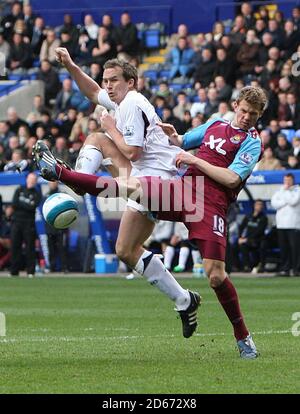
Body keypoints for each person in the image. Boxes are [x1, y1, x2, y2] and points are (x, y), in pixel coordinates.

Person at [33, 85, 268, 358]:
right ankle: (61, 172)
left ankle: (243, 337)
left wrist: (195, 160)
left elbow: (231, 179)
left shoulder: (253, 142)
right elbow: (183, 140)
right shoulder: (216, 122)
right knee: (126, 187)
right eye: (243, 110)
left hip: (210, 206)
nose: (246, 117)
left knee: (215, 276)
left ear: (259, 115)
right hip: (181, 191)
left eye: (253, 114)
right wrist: (172, 135)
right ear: (235, 104)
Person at [50, 47, 201, 339]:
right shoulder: (122, 99)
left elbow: (132, 151)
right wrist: (70, 65)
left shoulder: (131, 102)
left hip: (160, 182)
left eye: (114, 80)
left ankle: (78, 184)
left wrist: (109, 127)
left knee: (97, 137)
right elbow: (92, 93)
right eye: (106, 79)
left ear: (130, 82)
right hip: (147, 180)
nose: (108, 85)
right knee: (125, 251)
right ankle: (185, 300)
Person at [10, 172, 41, 277]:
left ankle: (30, 271)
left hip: (29, 223)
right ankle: (14, 271)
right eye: (30, 179)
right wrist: (27, 204)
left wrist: (22, 204)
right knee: (15, 246)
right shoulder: (19, 190)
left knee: (30, 248)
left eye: (34, 179)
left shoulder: (36, 193)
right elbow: (14, 203)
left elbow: (33, 206)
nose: (32, 181)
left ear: (36, 181)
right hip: (17, 222)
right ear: (27, 179)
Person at [271, 173, 300, 276]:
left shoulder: (297, 190)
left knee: (295, 248)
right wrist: (284, 201)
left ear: (293, 180)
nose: (287, 182)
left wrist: (285, 193)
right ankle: (285, 269)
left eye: (289, 180)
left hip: (294, 224)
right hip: (281, 224)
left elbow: (293, 201)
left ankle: (296, 269)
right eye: (285, 180)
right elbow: (274, 203)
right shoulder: (280, 190)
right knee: (284, 248)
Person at [237, 199, 268, 272]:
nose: (259, 206)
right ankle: (244, 266)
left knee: (262, 245)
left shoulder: (264, 218)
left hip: (257, 240)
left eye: (261, 205)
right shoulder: (248, 216)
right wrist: (240, 237)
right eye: (258, 204)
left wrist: (246, 239)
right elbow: (241, 227)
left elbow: (259, 231)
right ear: (254, 206)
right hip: (247, 240)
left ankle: (261, 266)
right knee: (237, 246)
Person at [44, 181, 69, 273]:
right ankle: (51, 267)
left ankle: (64, 267)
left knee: (62, 247)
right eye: (50, 182)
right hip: (50, 226)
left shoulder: (62, 195)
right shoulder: (46, 196)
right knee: (51, 248)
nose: (52, 184)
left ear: (57, 183)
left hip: (61, 226)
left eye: (53, 182)